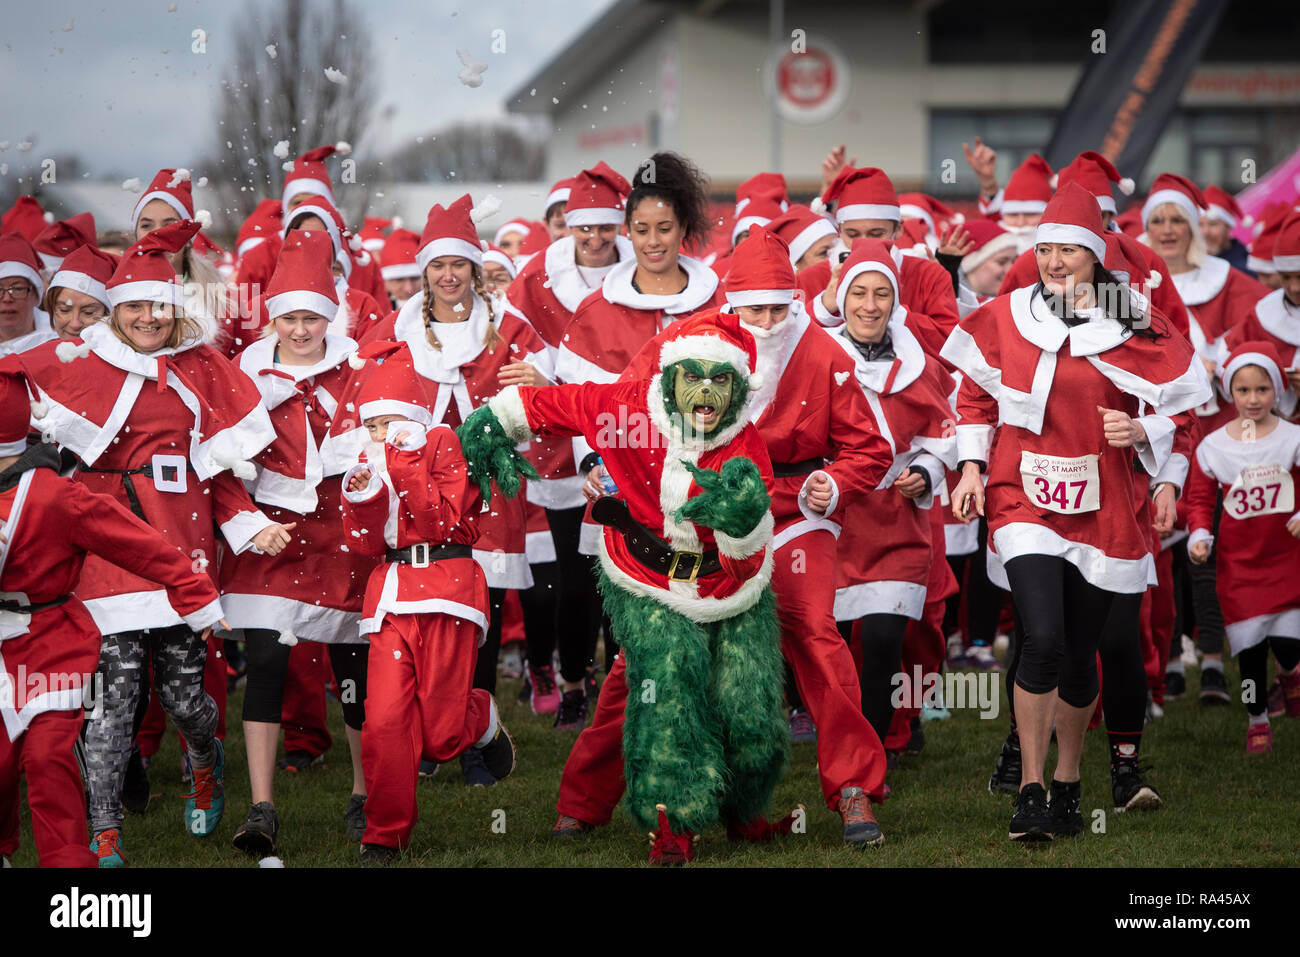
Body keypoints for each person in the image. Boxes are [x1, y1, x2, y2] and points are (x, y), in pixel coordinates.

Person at [548, 225, 896, 847]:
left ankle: (853, 789)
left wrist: (837, 484)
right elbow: (622, 409)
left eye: (778, 306)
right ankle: (583, 800)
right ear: (731, 300)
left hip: (791, 514)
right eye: (754, 306)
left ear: (796, 299)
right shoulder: (684, 340)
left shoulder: (822, 352)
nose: (766, 319)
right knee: (646, 660)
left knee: (815, 634)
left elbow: (869, 447)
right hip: (694, 525)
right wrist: (599, 466)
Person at [465, 310, 793, 864]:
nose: (706, 393)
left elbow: (747, 559)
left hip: (726, 584)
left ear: (739, 386)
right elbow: (545, 406)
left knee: (745, 694)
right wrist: (488, 431)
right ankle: (673, 823)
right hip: (642, 576)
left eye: (721, 380)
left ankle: (740, 810)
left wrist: (740, 526)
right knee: (669, 683)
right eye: (693, 376)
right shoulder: (624, 407)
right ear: (670, 376)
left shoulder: (745, 446)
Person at [21, 221, 295, 866]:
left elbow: (219, 470)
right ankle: (105, 826)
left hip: (180, 547)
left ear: (177, 311)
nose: (149, 318)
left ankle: (205, 759)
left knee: (182, 697)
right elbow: (16, 380)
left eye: (161, 308)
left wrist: (254, 526)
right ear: (116, 313)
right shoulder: (78, 364)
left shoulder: (200, 370)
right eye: (136, 307)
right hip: (105, 551)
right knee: (113, 702)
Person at [944, 183, 1209, 841]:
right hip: (1021, 494)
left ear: (1096, 255)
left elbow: (1183, 398)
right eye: (1047, 249)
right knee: (1043, 637)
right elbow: (975, 395)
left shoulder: (1132, 315)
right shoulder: (1008, 314)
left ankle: (1069, 780)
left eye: (1070, 249)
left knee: (1082, 651)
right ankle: (1030, 789)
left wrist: (1143, 432)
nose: (1056, 260)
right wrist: (974, 465)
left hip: (1106, 505)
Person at [0, 357, 226, 868]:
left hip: (50, 644)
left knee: (49, 758)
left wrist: (195, 592)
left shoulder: (55, 496)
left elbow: (138, 544)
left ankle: (73, 866)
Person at [358, 194, 551, 780]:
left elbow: (545, 402)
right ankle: (426, 732)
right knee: (423, 614)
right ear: (425, 271)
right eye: (438, 266)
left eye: (459, 266)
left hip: (489, 489)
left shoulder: (511, 328)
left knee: (481, 613)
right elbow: (365, 397)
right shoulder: (394, 328)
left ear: (474, 268)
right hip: (415, 492)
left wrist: (538, 385)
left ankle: (473, 735)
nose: (448, 276)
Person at [220, 231, 373, 855]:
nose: (301, 329)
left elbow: (382, 448)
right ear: (272, 318)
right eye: (289, 317)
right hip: (271, 532)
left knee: (353, 665)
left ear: (329, 315)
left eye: (312, 316)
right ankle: (261, 805)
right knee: (267, 663)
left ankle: (365, 792)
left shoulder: (360, 370)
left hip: (340, 528)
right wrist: (253, 524)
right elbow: (223, 463)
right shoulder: (244, 374)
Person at [340, 340, 515, 865]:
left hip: (448, 591)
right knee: (385, 720)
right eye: (373, 426)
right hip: (392, 595)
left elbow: (445, 521)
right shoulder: (371, 456)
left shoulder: (441, 442)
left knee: (441, 738)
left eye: (391, 421)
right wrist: (363, 497)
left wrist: (409, 460)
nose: (381, 435)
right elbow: (365, 544)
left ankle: (478, 717)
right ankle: (383, 834)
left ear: (415, 418)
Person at [504, 161, 637, 728]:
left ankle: (620, 688)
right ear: (568, 226)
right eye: (584, 227)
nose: (595, 238)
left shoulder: (641, 274)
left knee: (626, 569)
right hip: (560, 446)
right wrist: (546, 379)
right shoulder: (536, 277)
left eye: (606, 227)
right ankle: (575, 681)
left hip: (627, 437)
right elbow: (516, 345)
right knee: (574, 577)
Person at [826, 239, 956, 759]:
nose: (870, 304)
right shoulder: (815, 354)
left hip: (897, 523)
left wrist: (925, 471)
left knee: (883, 641)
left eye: (882, 293)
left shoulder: (917, 360)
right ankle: (838, 738)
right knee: (829, 644)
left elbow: (944, 430)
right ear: (843, 297)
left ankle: (871, 755)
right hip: (832, 521)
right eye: (859, 291)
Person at [1186, 343, 1300, 752]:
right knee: (1250, 650)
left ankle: (1289, 671)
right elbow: (1198, 499)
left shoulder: (1293, 438)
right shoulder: (1213, 447)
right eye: (1244, 391)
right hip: (1239, 567)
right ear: (1229, 393)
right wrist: (1200, 536)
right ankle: (1258, 718)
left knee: (1288, 641)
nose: (1253, 400)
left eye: (1263, 390)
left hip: (1287, 560)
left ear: (1278, 390)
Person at [794, 165, 959, 336]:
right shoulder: (809, 279)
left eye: (877, 234)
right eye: (853, 234)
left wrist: (891, 311)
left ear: (899, 229)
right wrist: (824, 309)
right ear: (839, 230)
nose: (865, 244)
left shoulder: (930, 275)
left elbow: (950, 344)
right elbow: (786, 348)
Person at [129, 168, 227, 351]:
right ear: (135, 235)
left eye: (170, 225)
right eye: (146, 226)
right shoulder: (110, 296)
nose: (158, 234)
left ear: (189, 239)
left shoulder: (224, 303)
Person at [42, 244, 116, 339]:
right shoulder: (30, 348)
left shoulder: (127, 354)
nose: (75, 324)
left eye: (88, 312)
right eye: (64, 310)